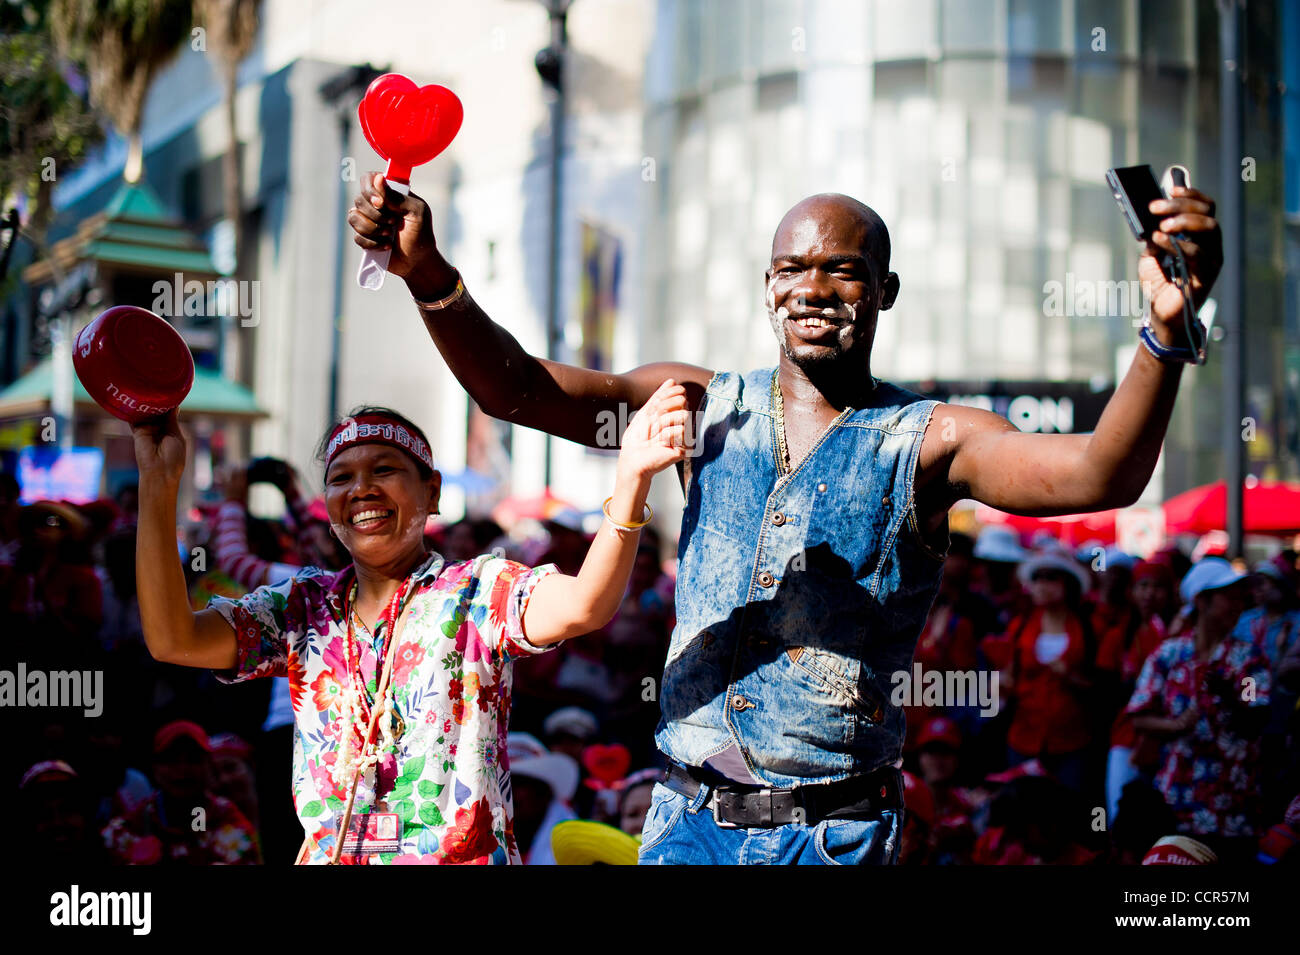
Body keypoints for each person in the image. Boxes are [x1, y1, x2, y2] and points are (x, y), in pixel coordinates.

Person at [349, 169, 1222, 864]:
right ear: (767, 285)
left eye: (841, 268)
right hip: (687, 822)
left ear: (884, 289)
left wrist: (1163, 332)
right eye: (792, 267)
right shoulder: (701, 406)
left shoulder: (926, 441)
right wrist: (427, 272)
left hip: (831, 836)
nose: (814, 287)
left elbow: (1100, 474)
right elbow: (519, 390)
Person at [131, 392, 688, 864]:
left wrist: (631, 479)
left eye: (385, 470)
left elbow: (585, 604)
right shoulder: (301, 606)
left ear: (433, 492)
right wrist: (159, 481)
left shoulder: (477, 592)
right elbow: (173, 639)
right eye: (341, 477)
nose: (362, 489)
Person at [1126, 558, 1272, 861]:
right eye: (1227, 596)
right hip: (1176, 798)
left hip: (1233, 805)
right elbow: (1138, 716)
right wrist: (1177, 725)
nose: (1237, 604)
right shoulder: (1169, 654)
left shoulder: (1248, 660)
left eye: (1239, 597)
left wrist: (1229, 697)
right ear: (1202, 601)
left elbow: (1256, 721)